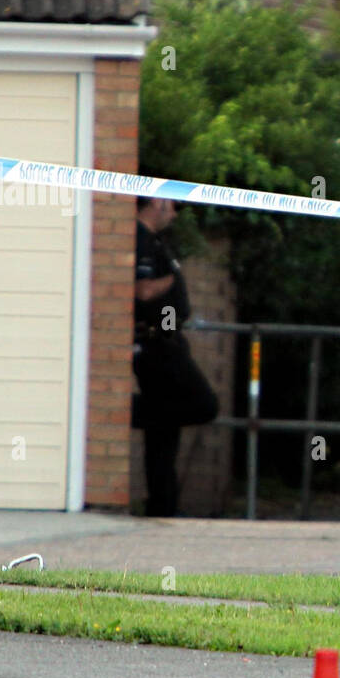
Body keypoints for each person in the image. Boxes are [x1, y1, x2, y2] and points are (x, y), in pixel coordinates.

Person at [132, 196, 219, 517]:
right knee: (202, 404)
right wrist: (173, 278)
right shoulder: (139, 238)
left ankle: (162, 506)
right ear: (157, 202)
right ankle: (114, 411)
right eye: (174, 205)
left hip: (166, 342)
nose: (176, 213)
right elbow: (141, 290)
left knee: (163, 435)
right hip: (155, 346)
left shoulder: (153, 240)